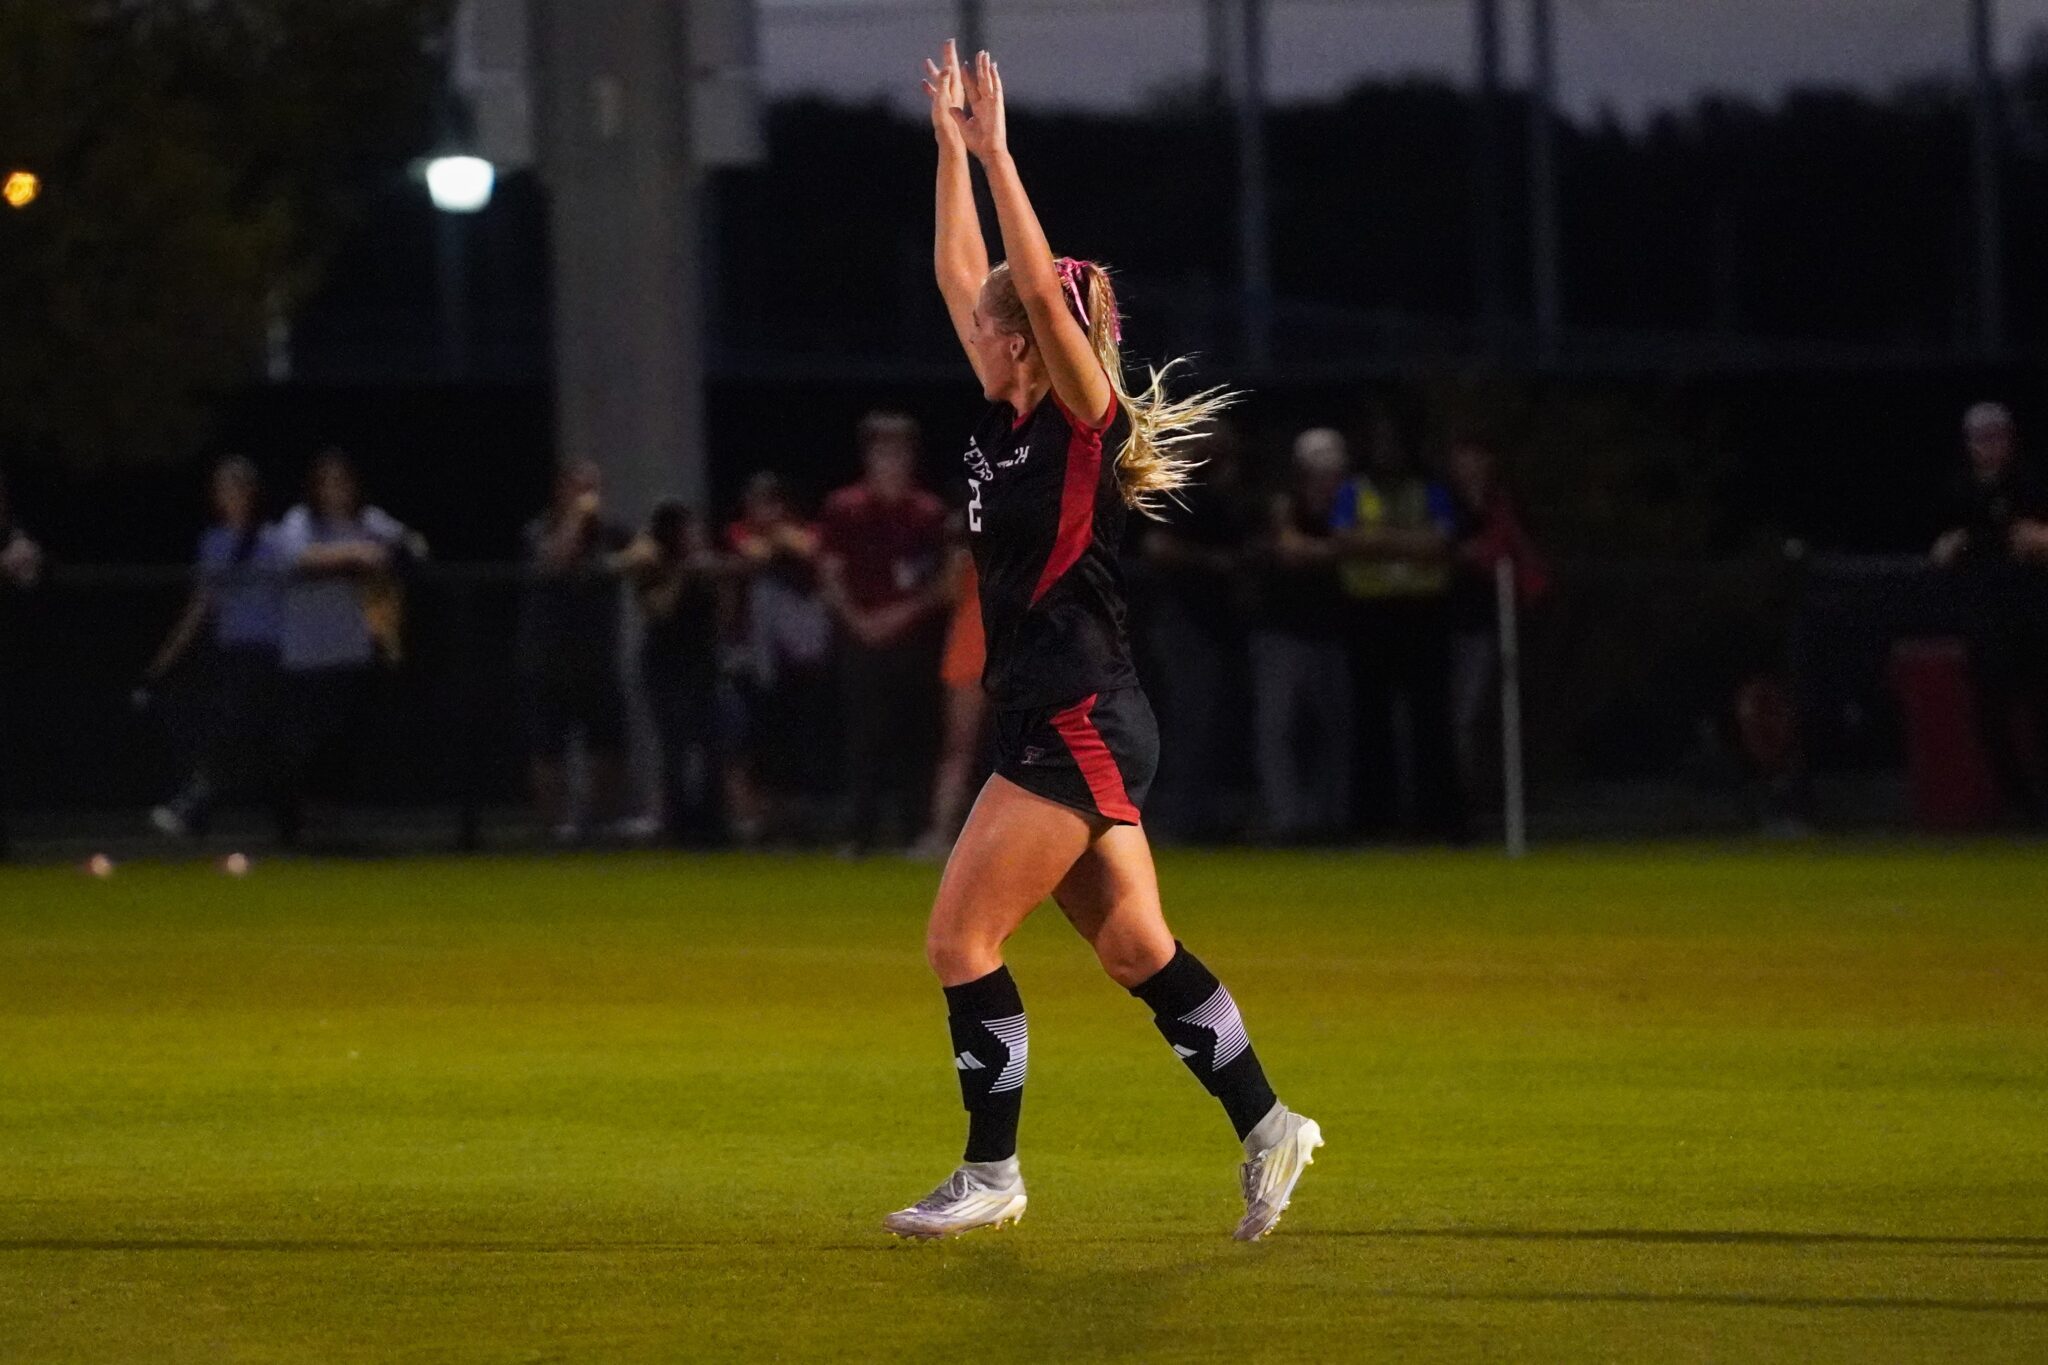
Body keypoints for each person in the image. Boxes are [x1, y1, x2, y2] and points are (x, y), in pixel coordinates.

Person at [885, 41, 1321, 1243]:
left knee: (958, 939)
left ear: (1035, 334)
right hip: (1066, 708)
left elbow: (1023, 280)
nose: (979, 326)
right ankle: (1269, 1124)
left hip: (1076, 713)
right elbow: (961, 268)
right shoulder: (1006, 407)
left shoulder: (1082, 416)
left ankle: (990, 1174)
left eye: (1000, 322)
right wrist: (946, 153)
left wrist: (999, 156)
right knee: (1135, 948)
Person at [272, 449, 426, 845]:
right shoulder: (301, 520)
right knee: (303, 746)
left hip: (351, 650)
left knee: (342, 746)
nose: (335, 490)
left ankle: (330, 824)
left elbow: (411, 546)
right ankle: (298, 828)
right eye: (327, 483)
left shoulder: (369, 520)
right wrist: (356, 553)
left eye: (342, 482)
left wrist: (389, 555)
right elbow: (298, 555)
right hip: (307, 654)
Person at [817, 412, 953, 852]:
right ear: (869, 456)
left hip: (914, 638)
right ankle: (861, 833)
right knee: (862, 735)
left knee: (915, 735)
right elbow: (830, 571)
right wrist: (858, 620)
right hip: (859, 636)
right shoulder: (844, 507)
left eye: (900, 452)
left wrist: (901, 615)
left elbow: (944, 580)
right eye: (883, 452)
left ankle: (914, 830)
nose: (892, 461)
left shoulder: (928, 513)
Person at [1331, 410, 1463, 840]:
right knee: (1370, 722)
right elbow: (1344, 540)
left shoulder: (1429, 490)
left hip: (1424, 614)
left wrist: (1377, 541)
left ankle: (1439, 820)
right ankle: (1373, 822)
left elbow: (1442, 543)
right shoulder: (1355, 490)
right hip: (1369, 615)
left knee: (1432, 720)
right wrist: (1410, 542)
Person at [140, 457, 284, 837]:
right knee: (224, 726)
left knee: (241, 730)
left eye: (237, 488)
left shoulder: (275, 539)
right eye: (223, 489)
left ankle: (197, 804)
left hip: (270, 651)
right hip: (230, 649)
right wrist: (165, 659)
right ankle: (205, 806)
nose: (230, 496)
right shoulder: (213, 541)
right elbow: (201, 605)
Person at [518, 459, 656, 842]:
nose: (589, 497)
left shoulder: (610, 533)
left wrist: (616, 563)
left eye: (594, 488)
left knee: (609, 747)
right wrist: (576, 520)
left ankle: (598, 827)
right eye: (580, 488)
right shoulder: (540, 529)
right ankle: (554, 830)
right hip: (548, 658)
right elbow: (556, 560)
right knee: (548, 750)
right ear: (562, 491)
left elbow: (648, 551)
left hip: (598, 659)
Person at [1930, 401, 2048, 821]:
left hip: (2035, 614)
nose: (1990, 446)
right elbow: (1942, 547)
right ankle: (2019, 803)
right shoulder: (1958, 491)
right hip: (1986, 618)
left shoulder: (2032, 482)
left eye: (1997, 436)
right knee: (1990, 712)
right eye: (1981, 438)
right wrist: (1947, 548)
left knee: (2041, 707)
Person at [1140, 422, 1255, 842]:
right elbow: (1158, 547)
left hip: (1216, 626)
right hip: (1184, 624)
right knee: (1192, 720)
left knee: (1212, 721)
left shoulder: (1226, 498)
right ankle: (1183, 818)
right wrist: (1215, 562)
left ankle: (1205, 815)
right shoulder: (1181, 492)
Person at [1245, 429, 1355, 843]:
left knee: (1335, 730)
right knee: (1279, 729)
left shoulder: (1348, 505)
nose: (1329, 478)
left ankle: (1330, 820)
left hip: (1331, 633)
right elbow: (1289, 550)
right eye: (1320, 470)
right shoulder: (1284, 503)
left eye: (1334, 471)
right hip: (1281, 633)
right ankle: (1286, 820)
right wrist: (1345, 549)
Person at [724, 471, 831, 843]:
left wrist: (784, 537)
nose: (764, 512)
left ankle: (798, 821)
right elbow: (754, 553)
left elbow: (810, 549)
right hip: (754, 663)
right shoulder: (738, 533)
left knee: (801, 744)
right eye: (757, 504)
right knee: (755, 746)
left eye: (771, 504)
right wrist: (778, 542)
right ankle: (758, 822)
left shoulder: (803, 532)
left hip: (800, 663)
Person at [1443, 438, 1548, 817]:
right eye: (1462, 457)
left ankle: (1484, 803)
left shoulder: (1504, 504)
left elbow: (1522, 557)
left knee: (1483, 717)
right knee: (1454, 719)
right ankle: (1454, 803)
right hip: (1445, 625)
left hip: (1494, 627)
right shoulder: (1443, 501)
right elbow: (1444, 548)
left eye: (1477, 456)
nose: (1469, 465)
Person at [635, 499, 730, 845]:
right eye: (688, 529)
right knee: (674, 746)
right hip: (665, 664)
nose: (695, 534)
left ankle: (712, 824)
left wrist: (715, 578)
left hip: (702, 662)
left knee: (712, 744)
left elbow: (723, 616)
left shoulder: (706, 565)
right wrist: (682, 572)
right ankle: (676, 825)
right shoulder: (651, 565)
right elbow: (658, 609)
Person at [910, 548, 989, 858]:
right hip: (976, 645)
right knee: (961, 750)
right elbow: (950, 591)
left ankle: (945, 833)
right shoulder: (968, 544)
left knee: (961, 751)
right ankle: (944, 833)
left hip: (990, 643)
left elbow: (947, 592)